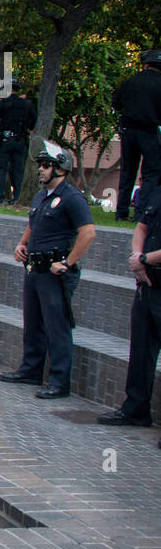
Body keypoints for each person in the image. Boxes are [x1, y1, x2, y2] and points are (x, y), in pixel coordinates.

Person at [0, 141, 96, 398]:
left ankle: (59, 382)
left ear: (60, 169)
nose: (40, 170)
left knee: (57, 327)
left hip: (55, 272)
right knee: (33, 322)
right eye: (40, 165)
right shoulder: (41, 196)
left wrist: (67, 262)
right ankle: (31, 370)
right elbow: (33, 223)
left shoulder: (72, 197)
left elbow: (88, 233)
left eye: (46, 165)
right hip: (34, 268)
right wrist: (22, 243)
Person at [98, 182, 161, 429]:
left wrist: (145, 259)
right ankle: (135, 409)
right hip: (147, 283)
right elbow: (142, 227)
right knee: (141, 351)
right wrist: (138, 261)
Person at [112, 49, 161, 221]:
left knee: (127, 172)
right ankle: (141, 213)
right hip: (150, 133)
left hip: (129, 132)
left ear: (145, 65)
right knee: (151, 174)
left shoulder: (130, 82)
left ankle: (121, 212)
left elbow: (116, 103)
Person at [0, 81, 36, 205]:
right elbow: (34, 120)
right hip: (20, 140)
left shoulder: (2, 104)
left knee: (1, 170)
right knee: (18, 170)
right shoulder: (27, 104)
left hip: (4, 140)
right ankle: (17, 198)